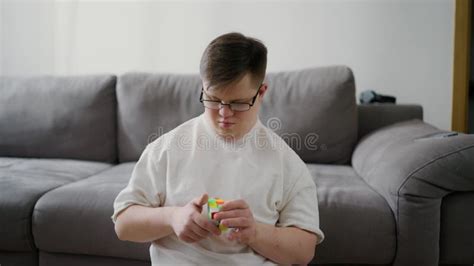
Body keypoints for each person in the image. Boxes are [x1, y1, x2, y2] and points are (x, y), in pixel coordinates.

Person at [112, 32, 324, 265]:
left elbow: (304, 252)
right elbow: (123, 224)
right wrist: (172, 217)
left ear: (261, 93)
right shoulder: (166, 149)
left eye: (237, 103)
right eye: (213, 99)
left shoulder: (287, 164)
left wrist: (254, 232)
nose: (224, 114)